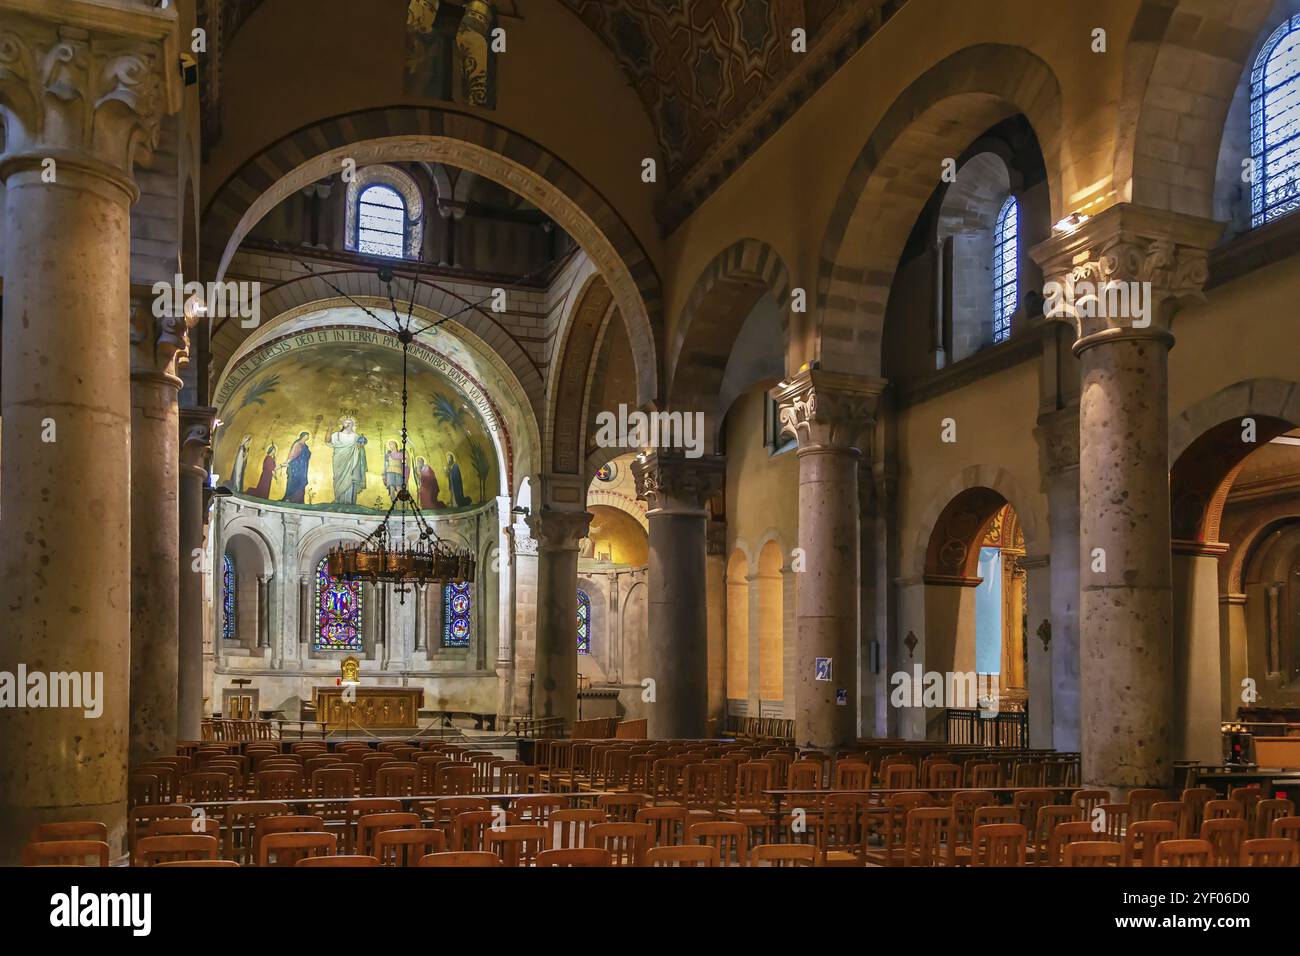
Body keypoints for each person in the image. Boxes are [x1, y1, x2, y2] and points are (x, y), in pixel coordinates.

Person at [328, 417, 368, 505]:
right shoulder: (336, 435)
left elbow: (360, 447)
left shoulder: (356, 436)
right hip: (339, 460)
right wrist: (329, 429)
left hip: (352, 461)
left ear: (353, 425)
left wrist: (361, 445)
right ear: (342, 424)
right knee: (338, 478)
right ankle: (338, 499)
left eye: (350, 422)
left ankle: (349, 501)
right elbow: (328, 441)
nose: (348, 424)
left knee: (351, 478)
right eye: (346, 422)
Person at [281, 431, 311, 503]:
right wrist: (287, 462)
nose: (308, 437)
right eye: (307, 435)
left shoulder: (305, 446)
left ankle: (299, 500)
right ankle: (289, 498)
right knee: (294, 481)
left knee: (301, 482)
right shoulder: (298, 444)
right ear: (303, 436)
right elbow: (293, 454)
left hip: (303, 467)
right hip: (296, 466)